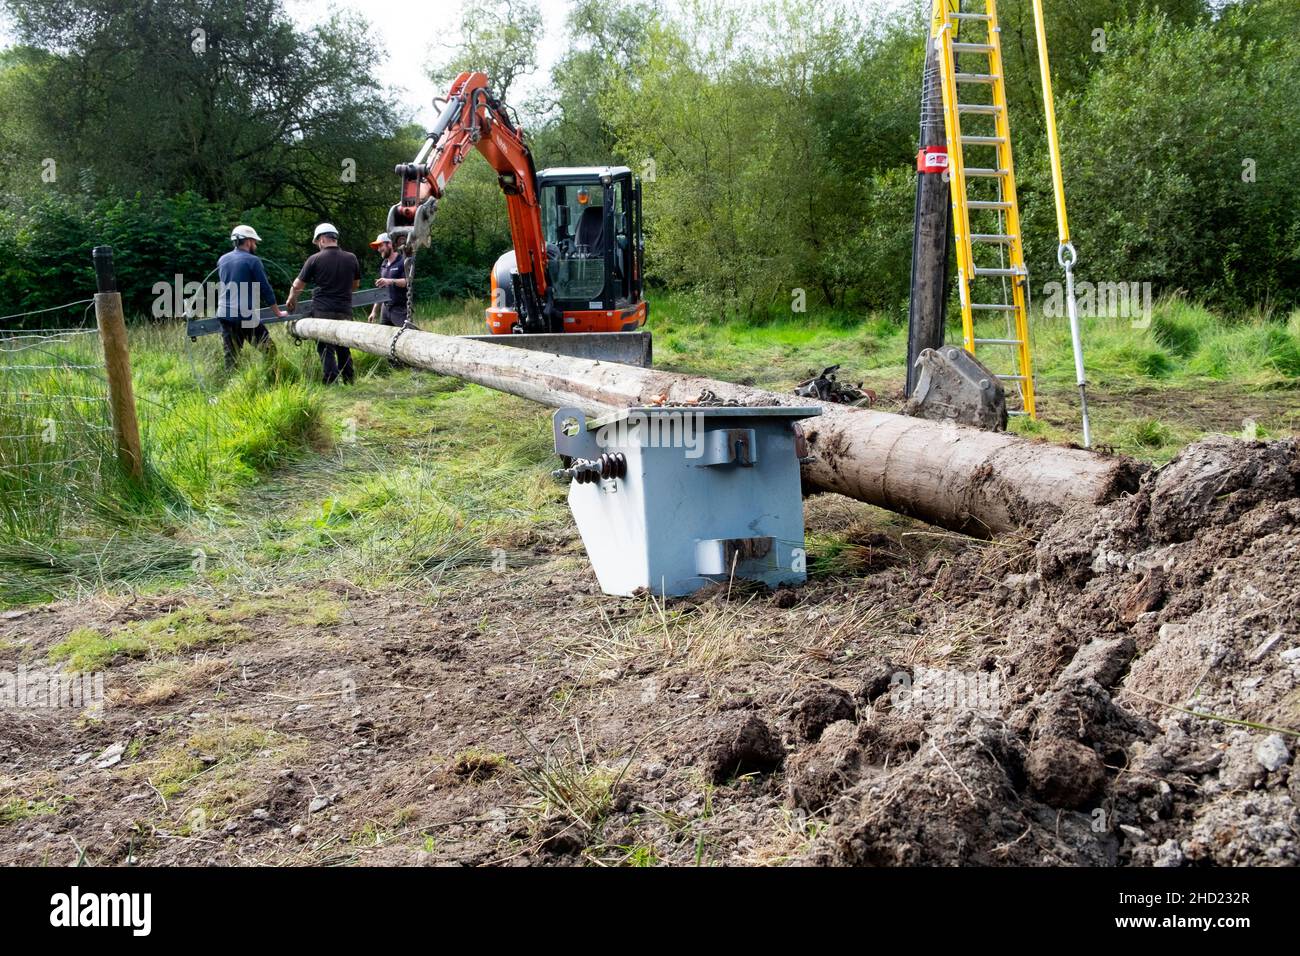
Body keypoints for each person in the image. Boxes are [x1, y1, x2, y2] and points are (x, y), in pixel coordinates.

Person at [285, 223, 361, 385]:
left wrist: (292, 299)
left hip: (322, 311)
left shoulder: (314, 259)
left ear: (322, 239)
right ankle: (349, 380)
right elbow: (355, 285)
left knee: (325, 347)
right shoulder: (351, 258)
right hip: (344, 310)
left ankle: (331, 381)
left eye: (318, 241)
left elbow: (298, 286)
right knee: (343, 344)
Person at [215, 224, 284, 369]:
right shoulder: (253, 260)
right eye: (254, 242)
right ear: (247, 241)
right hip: (244, 315)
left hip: (224, 314)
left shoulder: (222, 259)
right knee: (269, 350)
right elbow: (265, 288)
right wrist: (277, 312)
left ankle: (231, 387)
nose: (255, 245)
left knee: (231, 355)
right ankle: (274, 378)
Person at [366, 232, 411, 329]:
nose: (378, 249)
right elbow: (380, 290)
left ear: (389, 244)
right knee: (383, 339)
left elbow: (407, 282)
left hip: (400, 309)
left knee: (407, 337)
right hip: (385, 309)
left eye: (380, 246)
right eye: (377, 247)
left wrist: (390, 281)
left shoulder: (402, 261)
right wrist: (374, 311)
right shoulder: (384, 264)